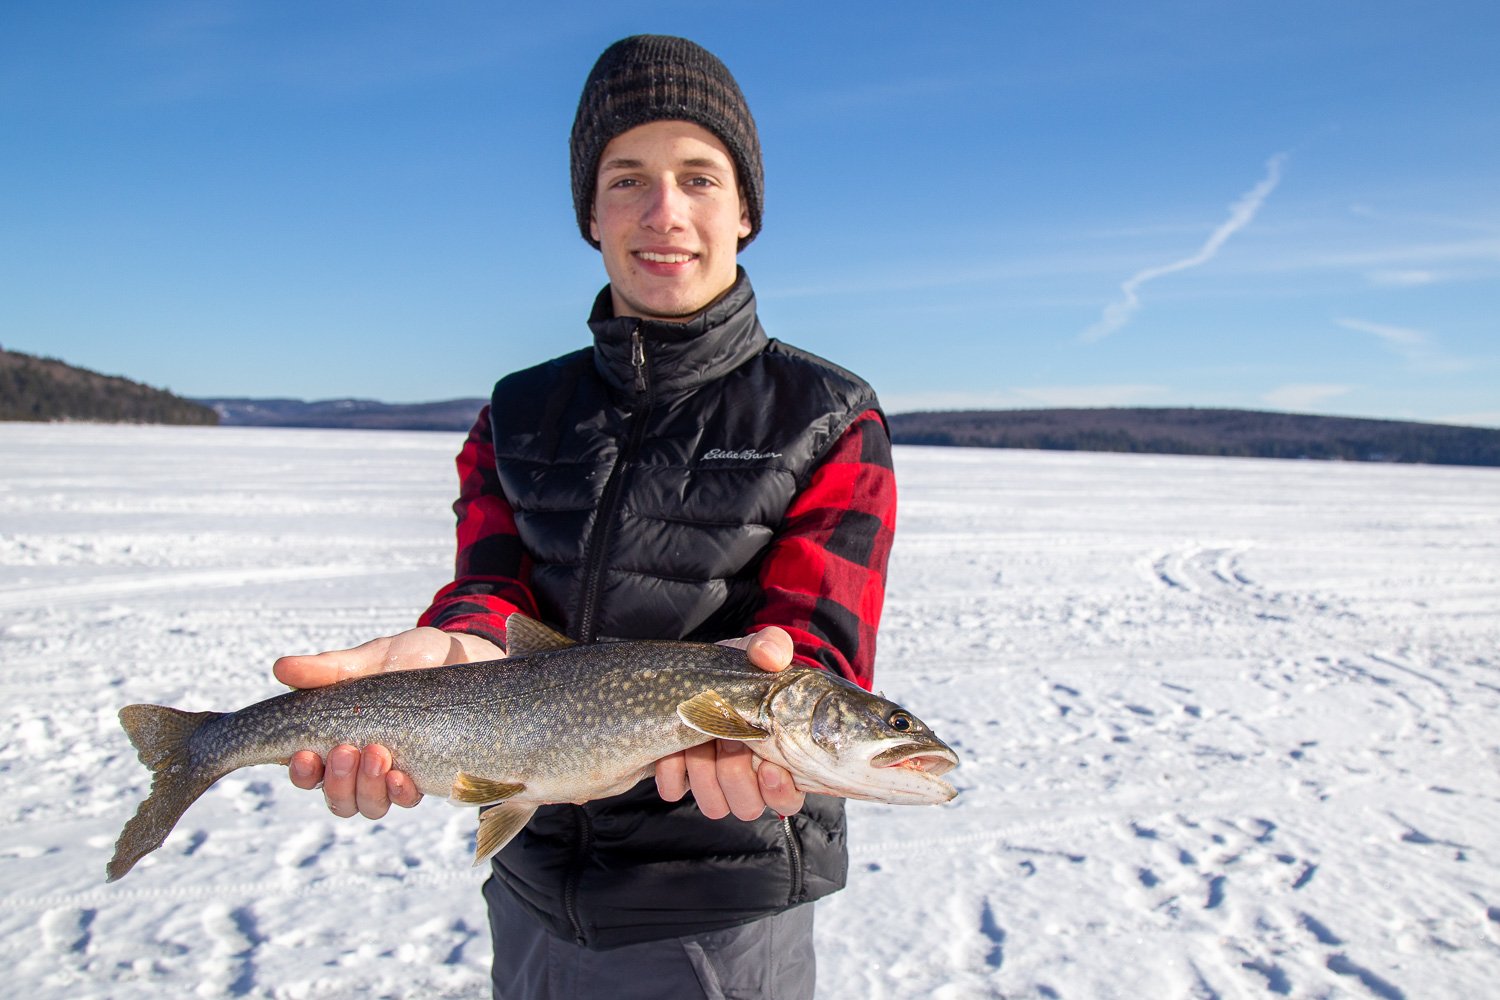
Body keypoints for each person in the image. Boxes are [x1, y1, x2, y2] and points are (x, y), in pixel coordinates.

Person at [272, 34, 895, 998]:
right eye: (626, 179)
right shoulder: (519, 411)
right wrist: (462, 642)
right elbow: (490, 585)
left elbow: (819, 642)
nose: (664, 212)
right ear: (590, 214)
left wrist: (774, 695)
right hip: (532, 886)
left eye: (698, 178)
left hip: (719, 904)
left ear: (745, 210)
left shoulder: (826, 416)